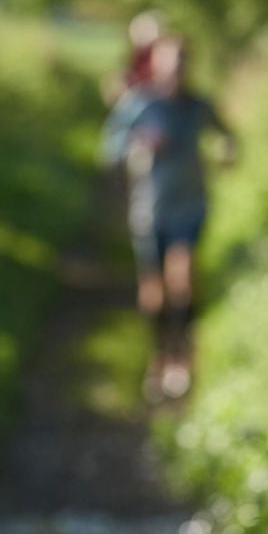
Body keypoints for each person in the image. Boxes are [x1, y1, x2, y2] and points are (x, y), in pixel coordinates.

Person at [99, 33, 234, 401]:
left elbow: (227, 135)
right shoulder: (139, 103)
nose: (175, 72)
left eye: (181, 65)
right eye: (169, 65)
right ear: (156, 65)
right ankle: (158, 358)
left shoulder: (199, 105)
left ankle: (183, 359)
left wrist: (227, 152)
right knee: (154, 294)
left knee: (183, 278)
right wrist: (140, 143)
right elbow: (109, 147)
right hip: (150, 209)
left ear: (188, 67)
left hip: (190, 206)